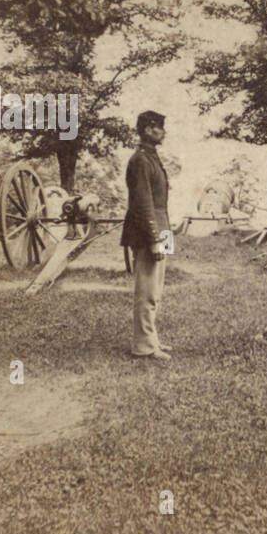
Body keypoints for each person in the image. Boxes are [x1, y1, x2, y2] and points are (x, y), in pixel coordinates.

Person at [121, 110, 173, 361]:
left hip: (162, 226)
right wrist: (154, 239)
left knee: (156, 291)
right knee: (147, 291)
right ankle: (143, 346)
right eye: (159, 127)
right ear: (147, 130)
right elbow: (142, 203)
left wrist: (163, 234)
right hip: (149, 231)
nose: (163, 131)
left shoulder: (151, 158)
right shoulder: (140, 160)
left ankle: (152, 340)